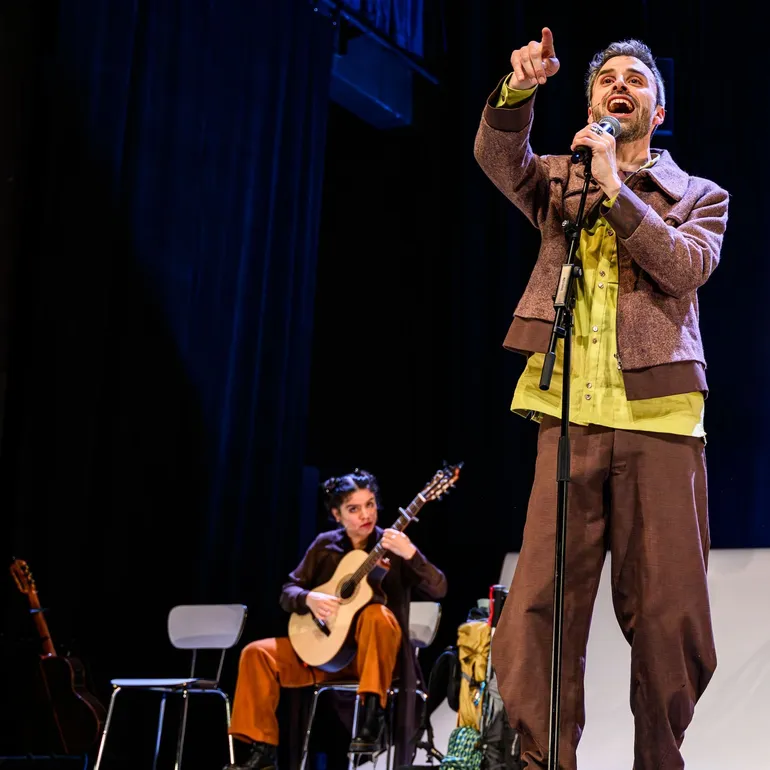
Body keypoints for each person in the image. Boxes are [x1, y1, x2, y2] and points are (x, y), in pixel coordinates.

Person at [473, 27, 728, 770]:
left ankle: (658, 759)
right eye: (606, 78)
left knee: (668, 617)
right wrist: (518, 90)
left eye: (636, 79)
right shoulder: (561, 179)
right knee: (539, 611)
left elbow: (684, 268)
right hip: (568, 421)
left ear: (659, 107)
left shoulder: (699, 196)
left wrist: (618, 192)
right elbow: (497, 158)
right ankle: (543, 761)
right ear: (589, 100)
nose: (620, 85)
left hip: (661, 424)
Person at [225, 468, 448, 770]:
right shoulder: (325, 545)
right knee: (257, 654)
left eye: (370, 504)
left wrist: (411, 554)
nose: (365, 515)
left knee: (375, 614)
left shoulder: (393, 546)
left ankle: (372, 718)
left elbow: (439, 588)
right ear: (337, 515)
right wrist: (309, 598)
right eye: (353, 509)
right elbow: (288, 591)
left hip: (376, 660)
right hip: (327, 653)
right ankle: (262, 749)